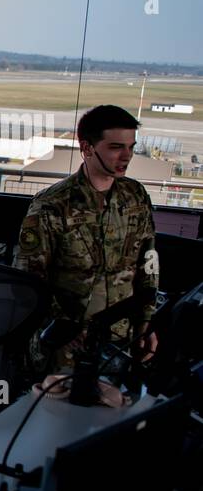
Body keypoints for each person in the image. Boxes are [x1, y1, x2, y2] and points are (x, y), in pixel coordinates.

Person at [13, 104, 159, 375]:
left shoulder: (136, 196)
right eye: (116, 147)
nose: (126, 156)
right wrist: (65, 327)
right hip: (63, 349)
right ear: (88, 148)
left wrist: (145, 325)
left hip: (119, 344)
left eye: (131, 147)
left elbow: (148, 263)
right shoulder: (51, 205)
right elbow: (27, 282)